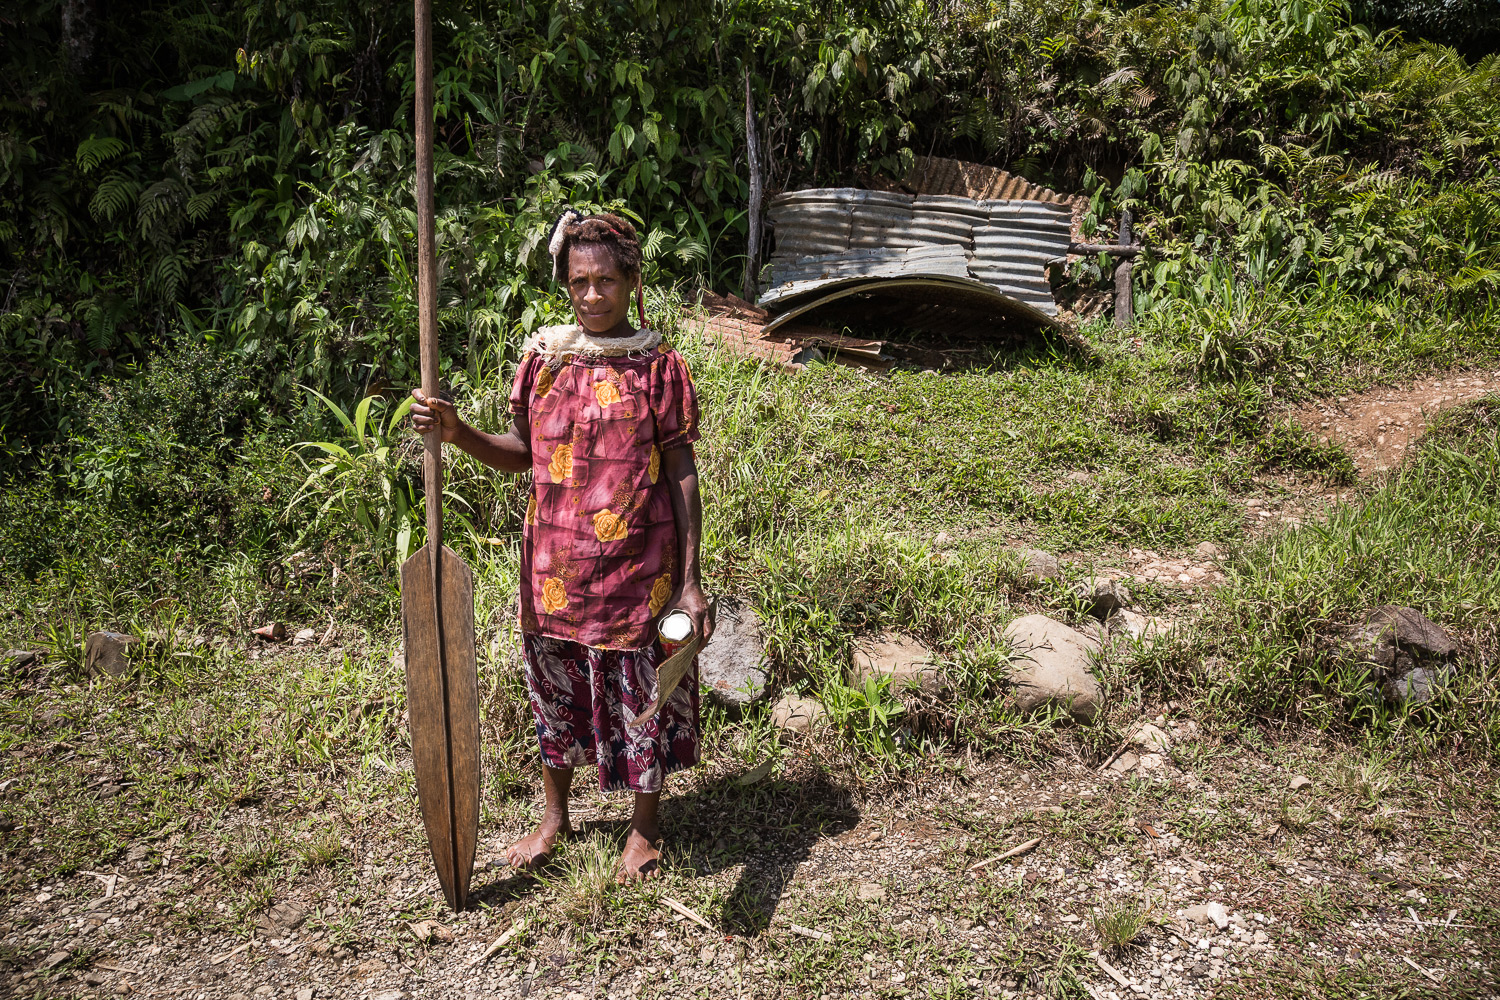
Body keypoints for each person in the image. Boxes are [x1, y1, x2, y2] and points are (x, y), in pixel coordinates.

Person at [409, 209, 713, 882]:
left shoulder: (657, 366)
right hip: (553, 574)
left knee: (643, 696)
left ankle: (645, 827)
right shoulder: (545, 361)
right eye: (579, 281)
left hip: (640, 574)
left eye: (606, 280)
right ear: (565, 284)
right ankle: (554, 818)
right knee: (556, 694)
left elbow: (683, 472)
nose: (592, 295)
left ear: (633, 281)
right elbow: (522, 455)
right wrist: (457, 433)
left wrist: (691, 579)